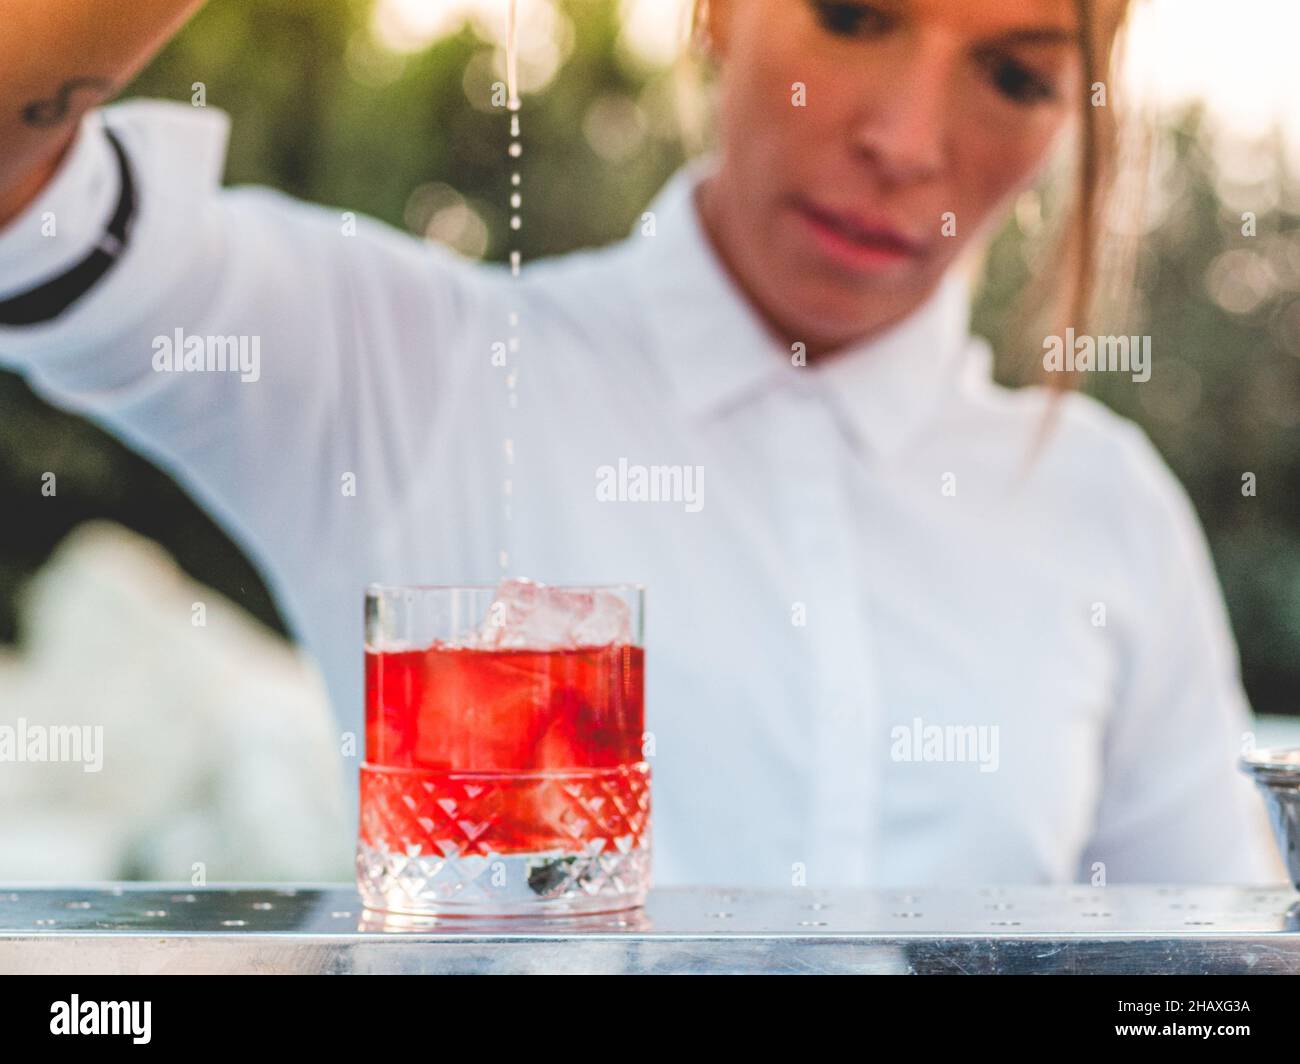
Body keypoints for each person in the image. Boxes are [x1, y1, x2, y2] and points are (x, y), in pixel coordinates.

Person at [0, 0, 1280, 888]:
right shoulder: (401, 367)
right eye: (849, 13)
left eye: (1014, 74)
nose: (903, 139)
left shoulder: (1103, 509)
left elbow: (1209, 974)